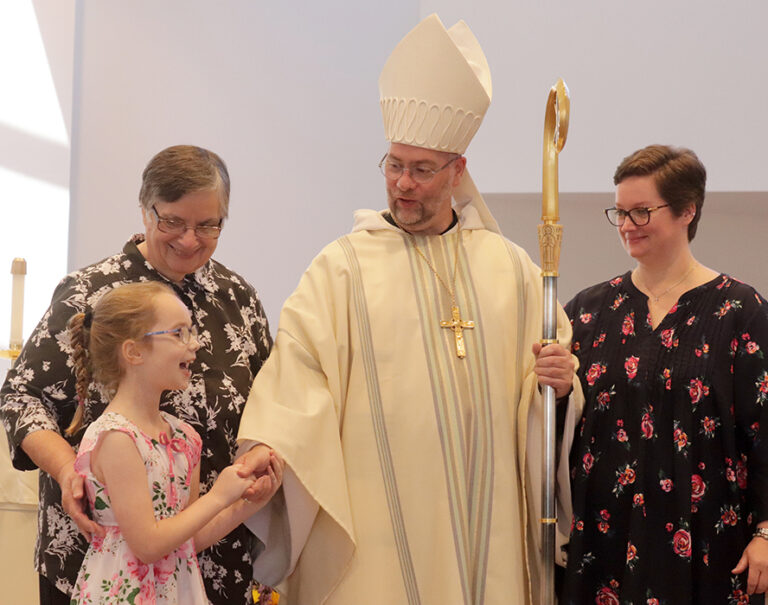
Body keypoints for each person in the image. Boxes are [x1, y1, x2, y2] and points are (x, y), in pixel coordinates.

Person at [235, 14, 582, 605]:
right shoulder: (340, 268)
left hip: (490, 531)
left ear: (459, 171)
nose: (404, 184)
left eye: (423, 170)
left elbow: (540, 402)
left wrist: (558, 385)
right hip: (376, 534)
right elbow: (298, 370)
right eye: (394, 166)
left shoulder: (514, 270)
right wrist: (276, 441)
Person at [0, 145, 273, 604]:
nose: (190, 239)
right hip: (103, 565)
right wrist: (70, 470)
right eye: (172, 222)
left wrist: (261, 460)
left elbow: (271, 396)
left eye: (208, 225)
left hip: (205, 560)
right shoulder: (91, 292)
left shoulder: (238, 297)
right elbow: (22, 398)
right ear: (146, 209)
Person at [561, 144, 768, 604]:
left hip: (706, 542)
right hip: (603, 538)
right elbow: (563, 427)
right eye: (619, 213)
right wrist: (552, 391)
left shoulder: (741, 310)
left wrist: (766, 533)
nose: (628, 226)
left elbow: (764, 430)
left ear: (686, 211)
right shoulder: (588, 311)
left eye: (641, 212)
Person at [66, 282, 281, 603]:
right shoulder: (117, 439)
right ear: (134, 351)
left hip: (176, 591)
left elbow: (187, 538)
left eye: (192, 332)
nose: (194, 344)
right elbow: (147, 545)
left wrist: (248, 503)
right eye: (178, 333)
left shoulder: (183, 438)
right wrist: (220, 496)